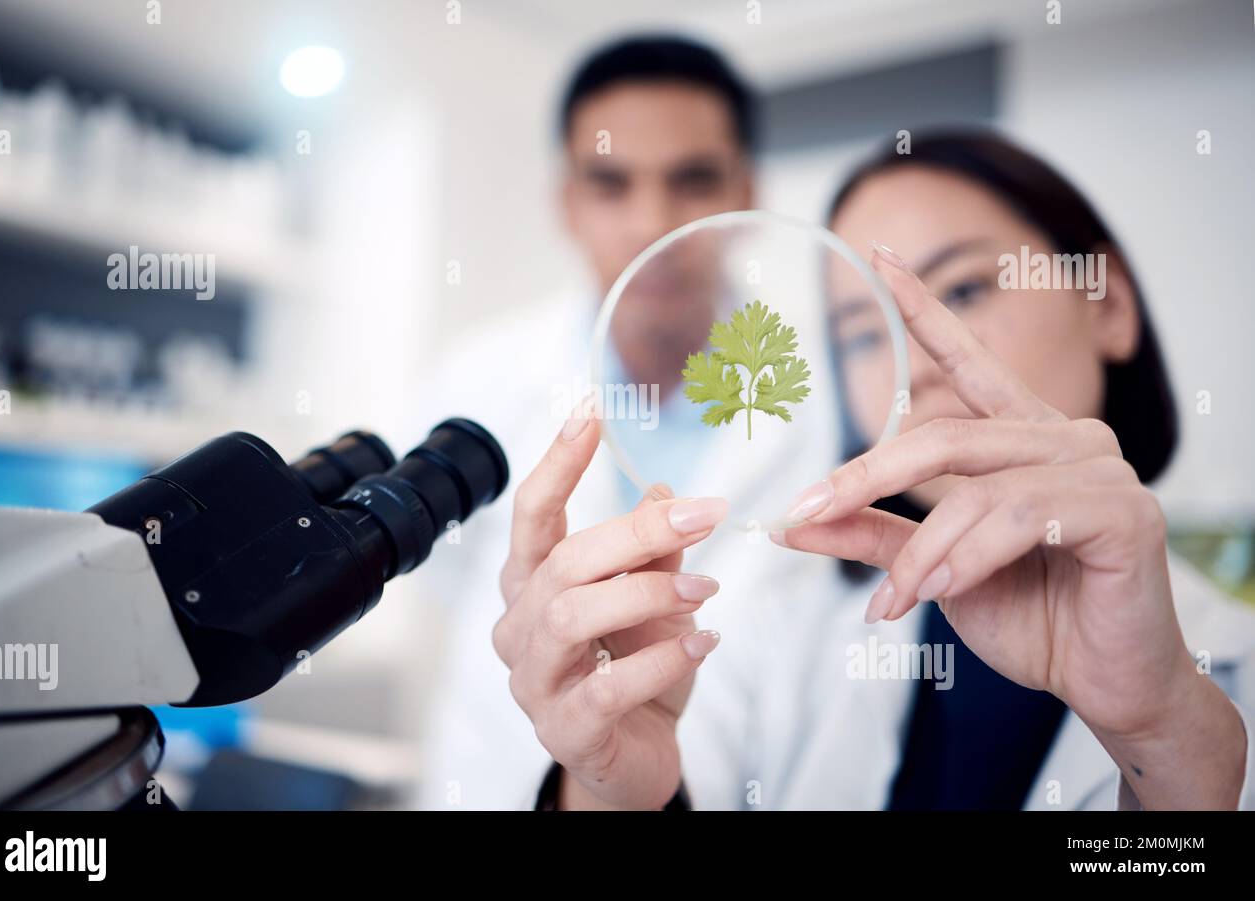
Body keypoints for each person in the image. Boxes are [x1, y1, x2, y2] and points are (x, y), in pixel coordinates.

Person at [494, 130, 1255, 809]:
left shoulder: (1229, 670)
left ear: (1108, 301)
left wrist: (1168, 745)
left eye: (960, 289)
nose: (912, 367)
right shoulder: (773, 631)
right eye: (864, 334)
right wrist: (611, 791)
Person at [412, 35, 843, 809]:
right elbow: (439, 579)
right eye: (611, 183)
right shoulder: (479, 380)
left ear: (746, 192)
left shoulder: (830, 409)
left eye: (693, 180)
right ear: (568, 204)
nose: (652, 222)